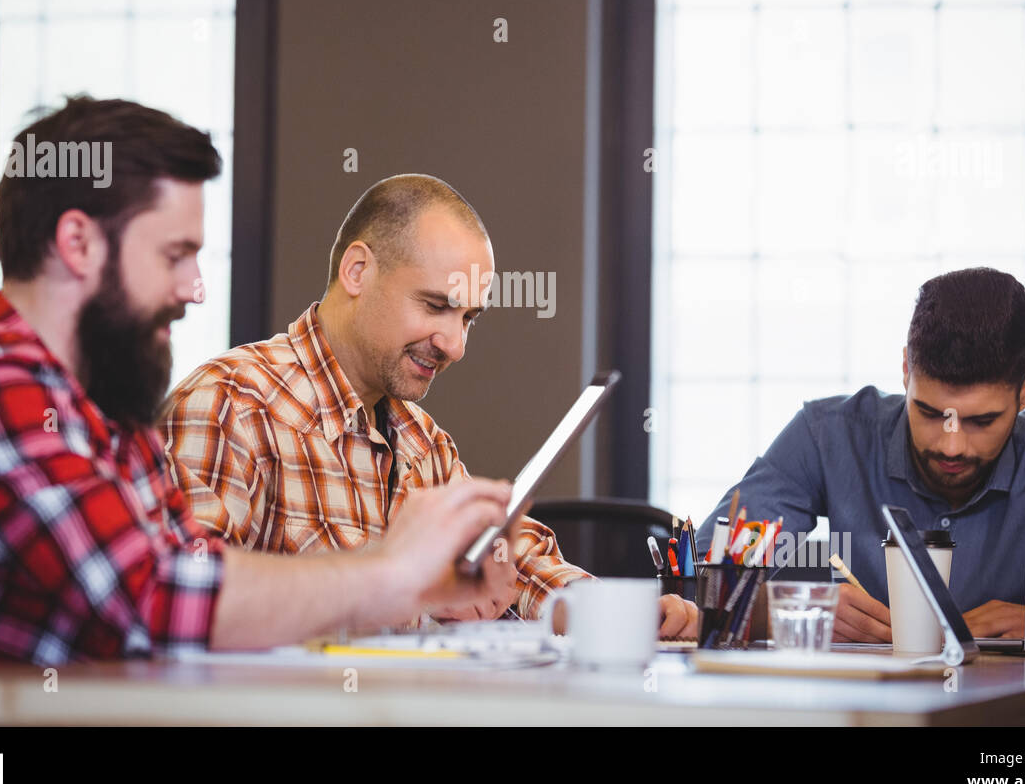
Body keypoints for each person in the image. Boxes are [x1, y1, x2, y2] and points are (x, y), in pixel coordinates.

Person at [0, 98, 514, 670]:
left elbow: (195, 565)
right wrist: (393, 572)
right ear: (78, 244)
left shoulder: (104, 406)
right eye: (175, 256)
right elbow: (156, 601)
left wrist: (410, 582)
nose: (193, 289)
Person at [163, 174, 698, 636]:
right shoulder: (231, 404)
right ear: (357, 271)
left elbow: (517, 564)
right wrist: (418, 606)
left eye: (468, 319)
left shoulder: (422, 440)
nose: (455, 345)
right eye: (436, 305)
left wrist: (620, 616)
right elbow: (188, 609)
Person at [696, 267, 1025, 643]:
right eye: (929, 413)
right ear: (906, 370)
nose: (951, 446)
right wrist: (790, 610)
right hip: (863, 700)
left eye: (982, 420)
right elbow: (699, 583)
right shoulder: (828, 435)